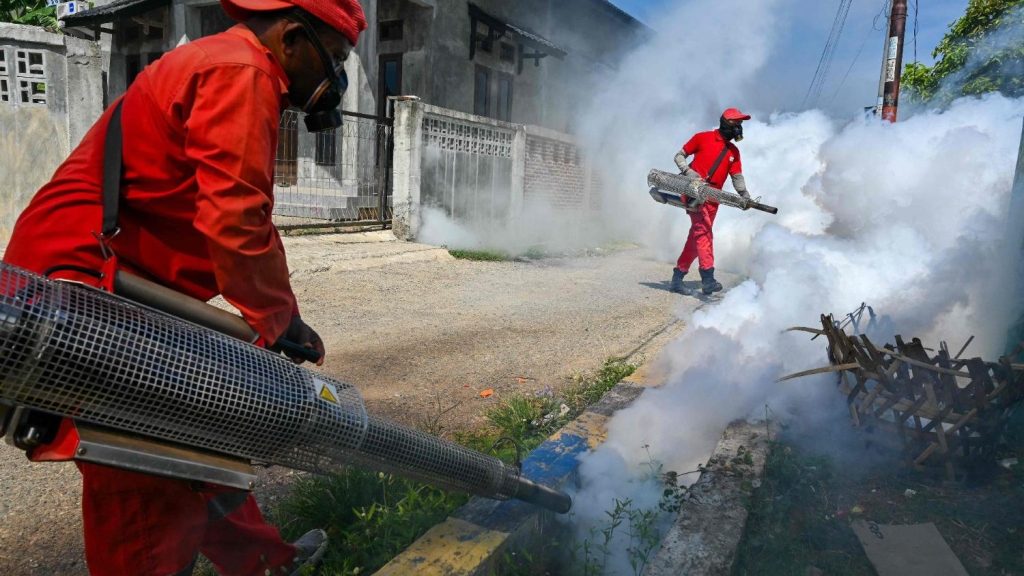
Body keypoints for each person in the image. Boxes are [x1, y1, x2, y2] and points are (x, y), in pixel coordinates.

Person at [1, 0, 366, 573]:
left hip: (110, 283)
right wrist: (278, 319)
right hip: (81, 288)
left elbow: (242, 214)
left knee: (196, 437)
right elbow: (237, 218)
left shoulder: (229, 64)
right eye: (336, 60)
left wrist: (279, 312)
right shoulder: (241, 72)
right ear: (293, 38)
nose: (336, 80)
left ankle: (266, 562)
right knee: (143, 476)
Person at [669, 107, 752, 296]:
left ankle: (677, 276)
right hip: (693, 191)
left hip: (713, 198)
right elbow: (679, 156)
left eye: (740, 124)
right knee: (704, 233)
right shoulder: (702, 137)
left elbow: (737, 176)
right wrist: (689, 173)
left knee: (696, 237)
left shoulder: (733, 152)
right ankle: (708, 278)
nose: (739, 127)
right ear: (725, 122)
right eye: (736, 123)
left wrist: (745, 196)